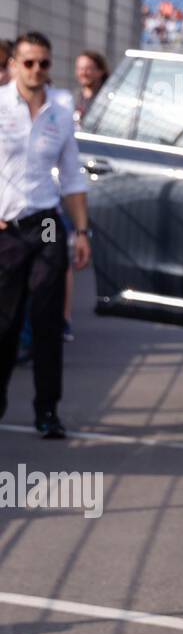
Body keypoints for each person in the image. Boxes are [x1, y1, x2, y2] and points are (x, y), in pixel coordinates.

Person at [0, 32, 92, 439]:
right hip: (6, 227)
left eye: (44, 63)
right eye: (29, 62)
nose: (37, 70)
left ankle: (47, 411)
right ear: (14, 65)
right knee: (4, 322)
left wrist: (83, 230)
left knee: (47, 322)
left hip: (47, 222)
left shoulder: (60, 107)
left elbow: (71, 174)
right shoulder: (0, 105)